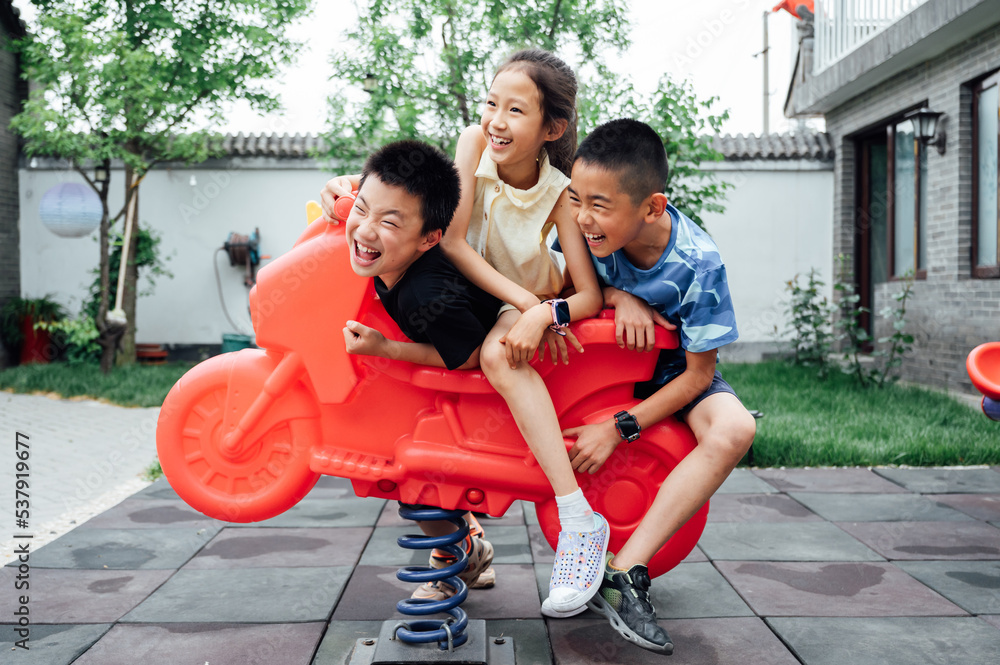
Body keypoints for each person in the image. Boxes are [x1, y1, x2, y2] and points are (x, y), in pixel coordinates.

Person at [322, 49, 609, 617]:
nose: (495, 120)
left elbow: (588, 294)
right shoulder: (472, 144)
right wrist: (355, 191)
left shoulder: (557, 191)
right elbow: (448, 237)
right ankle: (460, 544)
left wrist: (538, 310)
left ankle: (578, 514)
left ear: (552, 128)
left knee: (500, 358)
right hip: (477, 291)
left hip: (509, 303)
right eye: (491, 103)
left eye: (516, 110)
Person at [563, 118, 757, 654]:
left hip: (671, 373)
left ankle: (625, 570)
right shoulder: (584, 234)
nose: (583, 218)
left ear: (651, 207)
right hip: (593, 370)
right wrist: (617, 297)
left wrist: (618, 428)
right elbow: (552, 282)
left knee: (736, 428)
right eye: (577, 199)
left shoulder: (698, 263)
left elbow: (698, 375)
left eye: (599, 205)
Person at [332, 139, 501, 600]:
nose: (365, 231)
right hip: (457, 369)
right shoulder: (390, 251)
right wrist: (339, 192)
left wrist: (386, 348)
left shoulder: (424, 295)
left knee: (416, 476)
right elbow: (368, 197)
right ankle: (466, 542)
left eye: (388, 223)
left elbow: (469, 354)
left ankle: (456, 556)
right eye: (361, 210)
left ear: (430, 238)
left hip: (489, 391)